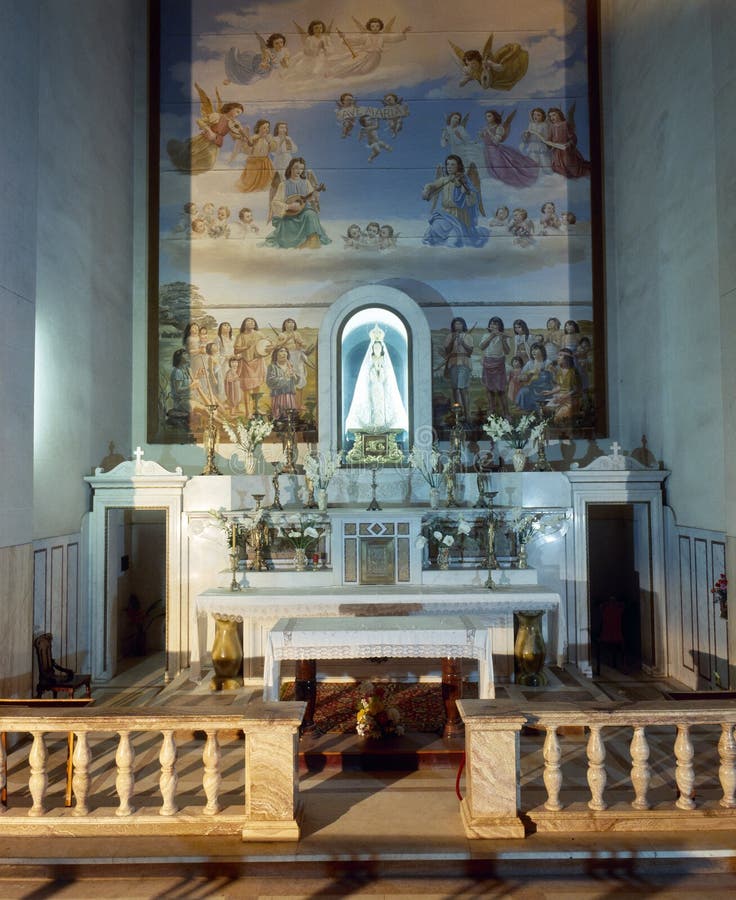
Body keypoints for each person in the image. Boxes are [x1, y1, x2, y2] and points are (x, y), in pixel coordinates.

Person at [345, 325, 408, 433]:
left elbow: (387, 378)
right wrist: (374, 372)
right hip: (372, 387)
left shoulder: (385, 361)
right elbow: (366, 376)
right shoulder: (369, 361)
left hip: (382, 388)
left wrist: (380, 372)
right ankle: (372, 422)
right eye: (375, 348)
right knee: (373, 403)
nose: (377, 349)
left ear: (382, 349)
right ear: (372, 349)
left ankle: (381, 423)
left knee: (381, 404)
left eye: (379, 347)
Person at [167, 94, 245, 175]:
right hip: (205, 139)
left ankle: (190, 171)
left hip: (216, 142)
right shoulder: (217, 116)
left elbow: (234, 135)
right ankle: (185, 170)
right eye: (237, 111)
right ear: (231, 108)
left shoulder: (232, 123)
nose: (237, 115)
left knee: (209, 162)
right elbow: (200, 121)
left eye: (239, 114)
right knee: (195, 155)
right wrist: (209, 131)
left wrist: (241, 136)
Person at [422, 154, 489, 248]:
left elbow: (472, 197)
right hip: (445, 213)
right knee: (434, 229)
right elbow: (434, 185)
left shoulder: (463, 180)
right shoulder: (444, 180)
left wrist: (463, 189)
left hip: (458, 214)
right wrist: (427, 189)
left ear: (458, 166)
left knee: (456, 236)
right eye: (448, 164)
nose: (449, 167)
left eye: (452, 164)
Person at [264, 157, 330, 249]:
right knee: (287, 224)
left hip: (304, 210)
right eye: (296, 168)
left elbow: (310, 199)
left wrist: (314, 195)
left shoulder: (306, 183)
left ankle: (311, 241)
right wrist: (289, 206)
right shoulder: (283, 185)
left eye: (301, 168)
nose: (299, 171)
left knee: (311, 214)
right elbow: (275, 202)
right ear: (290, 168)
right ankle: (295, 243)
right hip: (290, 213)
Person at [332, 17, 411, 79]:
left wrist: (403, 33)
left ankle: (354, 78)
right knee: (349, 64)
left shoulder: (382, 36)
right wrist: (344, 36)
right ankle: (336, 74)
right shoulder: (366, 36)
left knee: (365, 70)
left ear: (380, 27)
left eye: (377, 26)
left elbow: (393, 38)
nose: (375, 28)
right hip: (363, 55)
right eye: (373, 26)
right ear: (369, 27)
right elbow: (355, 39)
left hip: (375, 56)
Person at [479, 109, 538, 188]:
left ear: (494, 117)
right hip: (487, 151)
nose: (487, 118)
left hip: (495, 152)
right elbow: (484, 139)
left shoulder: (499, 128)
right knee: (492, 171)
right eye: (486, 116)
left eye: (489, 116)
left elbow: (496, 142)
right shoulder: (486, 127)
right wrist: (482, 135)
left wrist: (489, 133)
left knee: (501, 171)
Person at [233, 317, 271, 416]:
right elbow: (236, 351)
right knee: (246, 389)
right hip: (246, 363)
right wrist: (246, 347)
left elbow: (266, 346)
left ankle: (256, 409)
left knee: (257, 387)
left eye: (253, 322)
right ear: (244, 324)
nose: (251, 323)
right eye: (249, 322)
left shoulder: (259, 334)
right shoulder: (241, 336)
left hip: (258, 363)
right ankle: (247, 412)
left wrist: (268, 347)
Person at [441, 317, 474, 420]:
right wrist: (452, 340)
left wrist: (462, 342)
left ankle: (467, 414)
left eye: (460, 324)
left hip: (464, 363)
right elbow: (447, 351)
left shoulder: (468, 336)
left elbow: (470, 352)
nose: (458, 326)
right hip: (453, 363)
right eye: (456, 324)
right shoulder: (450, 336)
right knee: (455, 388)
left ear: (463, 325)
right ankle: (458, 413)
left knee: (463, 388)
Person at [547, 106, 590, 178]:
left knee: (572, 168)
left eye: (554, 115)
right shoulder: (551, 127)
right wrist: (548, 143)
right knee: (558, 169)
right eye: (550, 116)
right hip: (556, 151)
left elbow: (573, 138)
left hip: (566, 150)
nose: (552, 117)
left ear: (559, 114)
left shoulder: (565, 124)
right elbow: (549, 139)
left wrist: (568, 144)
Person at [479, 317, 510, 416]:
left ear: (500, 326)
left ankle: (506, 413)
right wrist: (491, 336)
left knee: (501, 390)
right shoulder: (486, 335)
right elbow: (482, 347)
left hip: (499, 364)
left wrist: (503, 339)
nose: (493, 326)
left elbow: (507, 351)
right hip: (488, 363)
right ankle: (491, 412)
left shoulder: (503, 336)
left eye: (496, 324)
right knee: (489, 389)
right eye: (492, 324)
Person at [237, 119, 277, 192]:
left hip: (265, 162)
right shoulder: (254, 138)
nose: (266, 129)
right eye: (264, 127)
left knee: (266, 181)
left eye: (268, 127)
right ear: (258, 128)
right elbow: (247, 150)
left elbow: (274, 149)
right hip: (254, 163)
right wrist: (248, 143)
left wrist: (270, 141)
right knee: (250, 181)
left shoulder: (269, 138)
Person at [515, 342, 554, 412]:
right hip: (532, 387)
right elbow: (521, 376)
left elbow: (552, 377)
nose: (533, 351)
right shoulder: (530, 363)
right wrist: (524, 377)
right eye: (532, 350)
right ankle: (526, 408)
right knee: (523, 391)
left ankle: (539, 408)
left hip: (545, 387)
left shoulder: (547, 362)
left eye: (536, 349)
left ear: (542, 351)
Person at [266, 347, 298, 419]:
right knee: (279, 417)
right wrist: (285, 377)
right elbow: (270, 382)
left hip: (290, 396)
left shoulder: (290, 366)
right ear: (276, 355)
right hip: (278, 396)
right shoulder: (272, 366)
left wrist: (294, 376)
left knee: (290, 416)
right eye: (281, 351)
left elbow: (296, 382)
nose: (284, 353)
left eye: (286, 351)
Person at [519, 108, 553, 173]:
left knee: (544, 161)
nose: (535, 116)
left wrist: (539, 135)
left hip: (541, 145)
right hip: (532, 145)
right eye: (534, 114)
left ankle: (548, 173)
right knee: (533, 161)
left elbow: (546, 138)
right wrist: (526, 136)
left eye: (538, 115)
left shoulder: (544, 125)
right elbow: (527, 138)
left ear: (542, 117)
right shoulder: (531, 124)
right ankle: (534, 174)